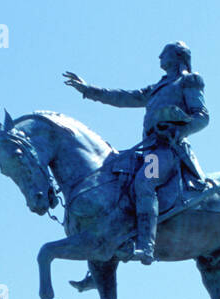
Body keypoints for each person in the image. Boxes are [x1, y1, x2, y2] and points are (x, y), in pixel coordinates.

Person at [64, 41, 208, 264]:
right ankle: (106, 247)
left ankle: (146, 247)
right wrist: (88, 90)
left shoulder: (189, 80)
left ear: (177, 56)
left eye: (165, 53)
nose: (160, 56)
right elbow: (123, 98)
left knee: (144, 181)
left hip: (168, 148)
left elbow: (202, 116)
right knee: (115, 181)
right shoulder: (157, 87)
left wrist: (178, 129)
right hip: (148, 148)